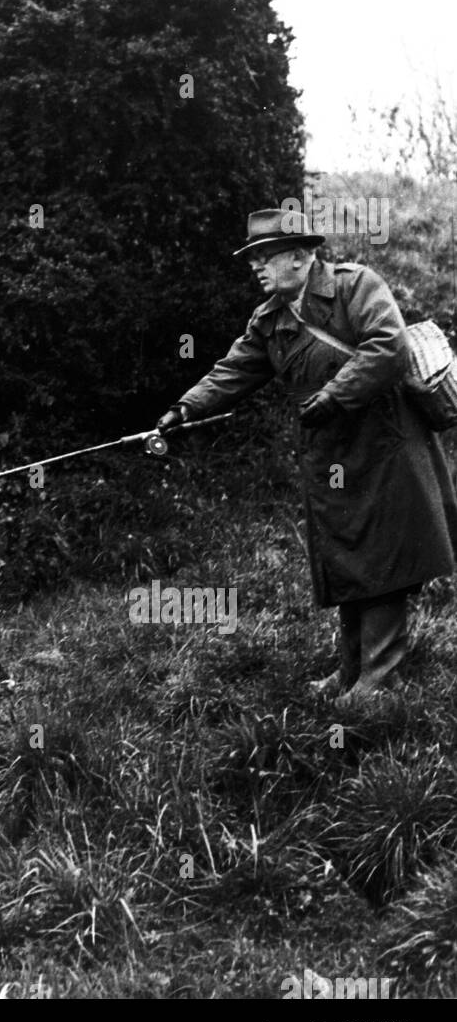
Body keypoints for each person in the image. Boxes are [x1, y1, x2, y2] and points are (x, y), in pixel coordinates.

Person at [157, 208, 457, 703]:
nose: (256, 267)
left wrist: (336, 394)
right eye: (252, 258)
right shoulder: (270, 319)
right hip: (332, 456)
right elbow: (233, 372)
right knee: (348, 558)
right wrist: (183, 409)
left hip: (384, 445)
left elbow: (389, 347)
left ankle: (379, 682)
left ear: (300, 256)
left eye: (265, 256)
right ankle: (349, 672)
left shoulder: (355, 286)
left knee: (384, 558)